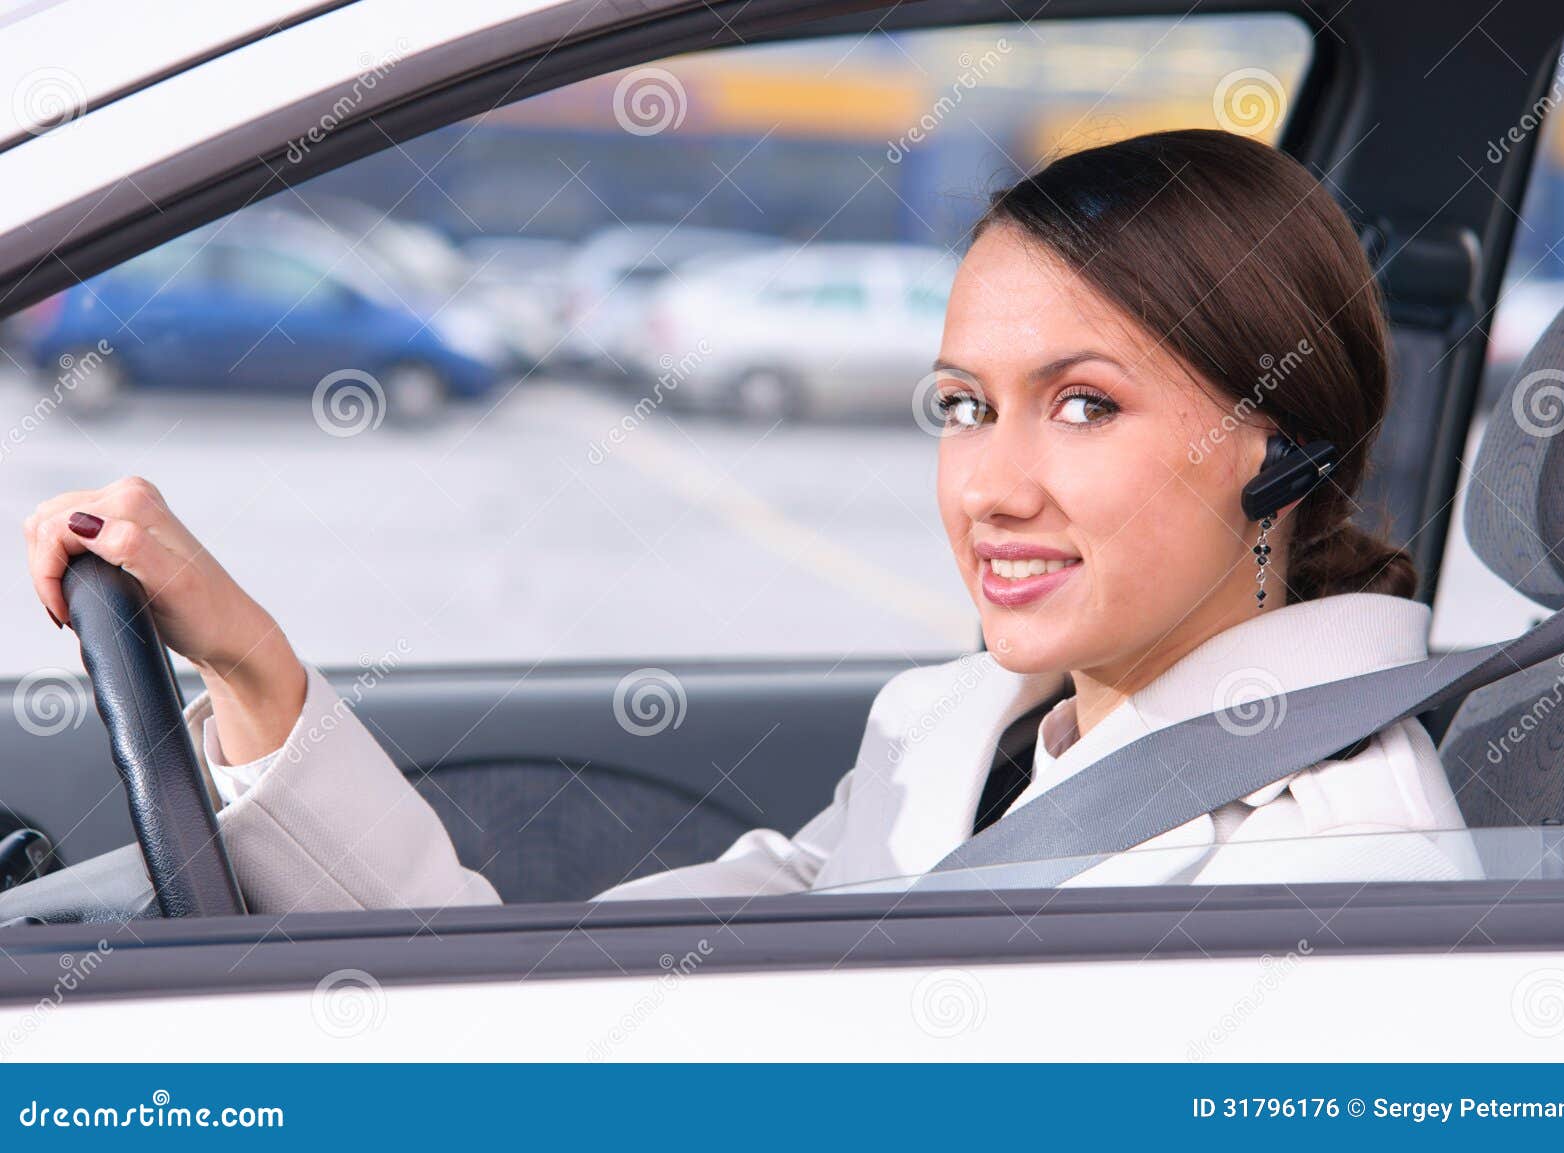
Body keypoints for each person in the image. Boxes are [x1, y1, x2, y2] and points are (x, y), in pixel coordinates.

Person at [22, 129, 1472, 913]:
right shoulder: (950, 733)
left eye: (1084, 404)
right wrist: (252, 665)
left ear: (1279, 448)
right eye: (965, 405)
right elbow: (551, 1014)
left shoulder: (1340, 871)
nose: (990, 485)